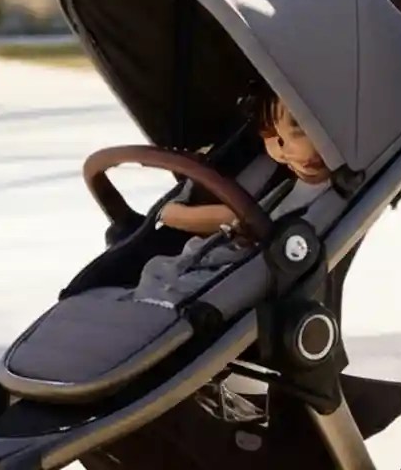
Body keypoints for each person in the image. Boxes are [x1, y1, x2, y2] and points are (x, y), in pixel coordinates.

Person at [134, 86, 332, 308]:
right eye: (272, 134)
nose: (285, 149)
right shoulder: (284, 184)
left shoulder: (328, 191)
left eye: (299, 127)